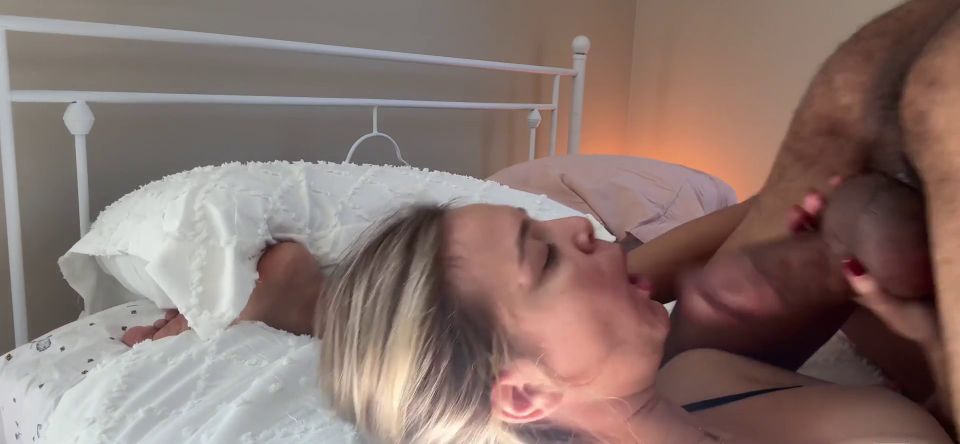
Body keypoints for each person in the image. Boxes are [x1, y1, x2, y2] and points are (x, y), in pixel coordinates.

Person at [124, 0, 960, 441]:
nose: (578, 223)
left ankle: (314, 303)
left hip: (692, 379)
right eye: (545, 256)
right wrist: (929, 339)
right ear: (522, 392)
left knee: (874, 73)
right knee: (939, 84)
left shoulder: (691, 376)